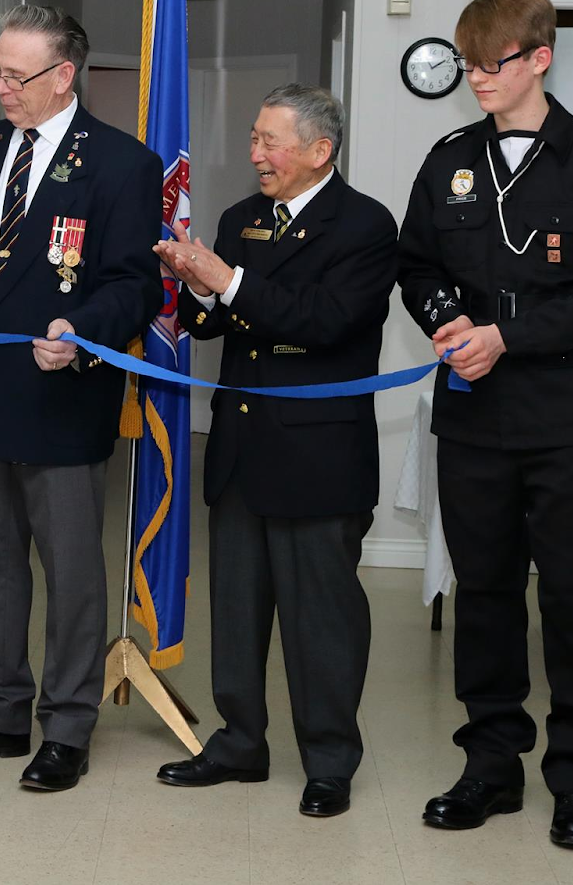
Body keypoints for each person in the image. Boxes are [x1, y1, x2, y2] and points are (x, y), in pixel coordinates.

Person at [397, 0, 573, 851]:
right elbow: (415, 264)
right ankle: (491, 764)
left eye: (489, 63)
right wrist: (446, 323)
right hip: (475, 417)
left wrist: (508, 335)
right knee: (486, 592)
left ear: (539, 57)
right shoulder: (449, 156)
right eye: (465, 63)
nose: (475, 79)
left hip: (571, 417)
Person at [0, 6, 162, 792]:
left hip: (62, 397)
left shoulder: (121, 164)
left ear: (64, 77)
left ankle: (67, 725)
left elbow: (135, 283)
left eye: (16, 76)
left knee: (71, 572)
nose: (2, 88)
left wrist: (82, 329)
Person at [153, 84, 396, 818]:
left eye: (269, 141)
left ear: (320, 151)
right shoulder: (240, 219)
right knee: (236, 608)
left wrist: (224, 279)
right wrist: (189, 286)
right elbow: (212, 326)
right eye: (254, 138)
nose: (254, 153)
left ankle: (329, 760)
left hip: (319, 459)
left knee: (321, 619)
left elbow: (323, 321)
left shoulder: (364, 226)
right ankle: (240, 742)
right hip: (241, 449)